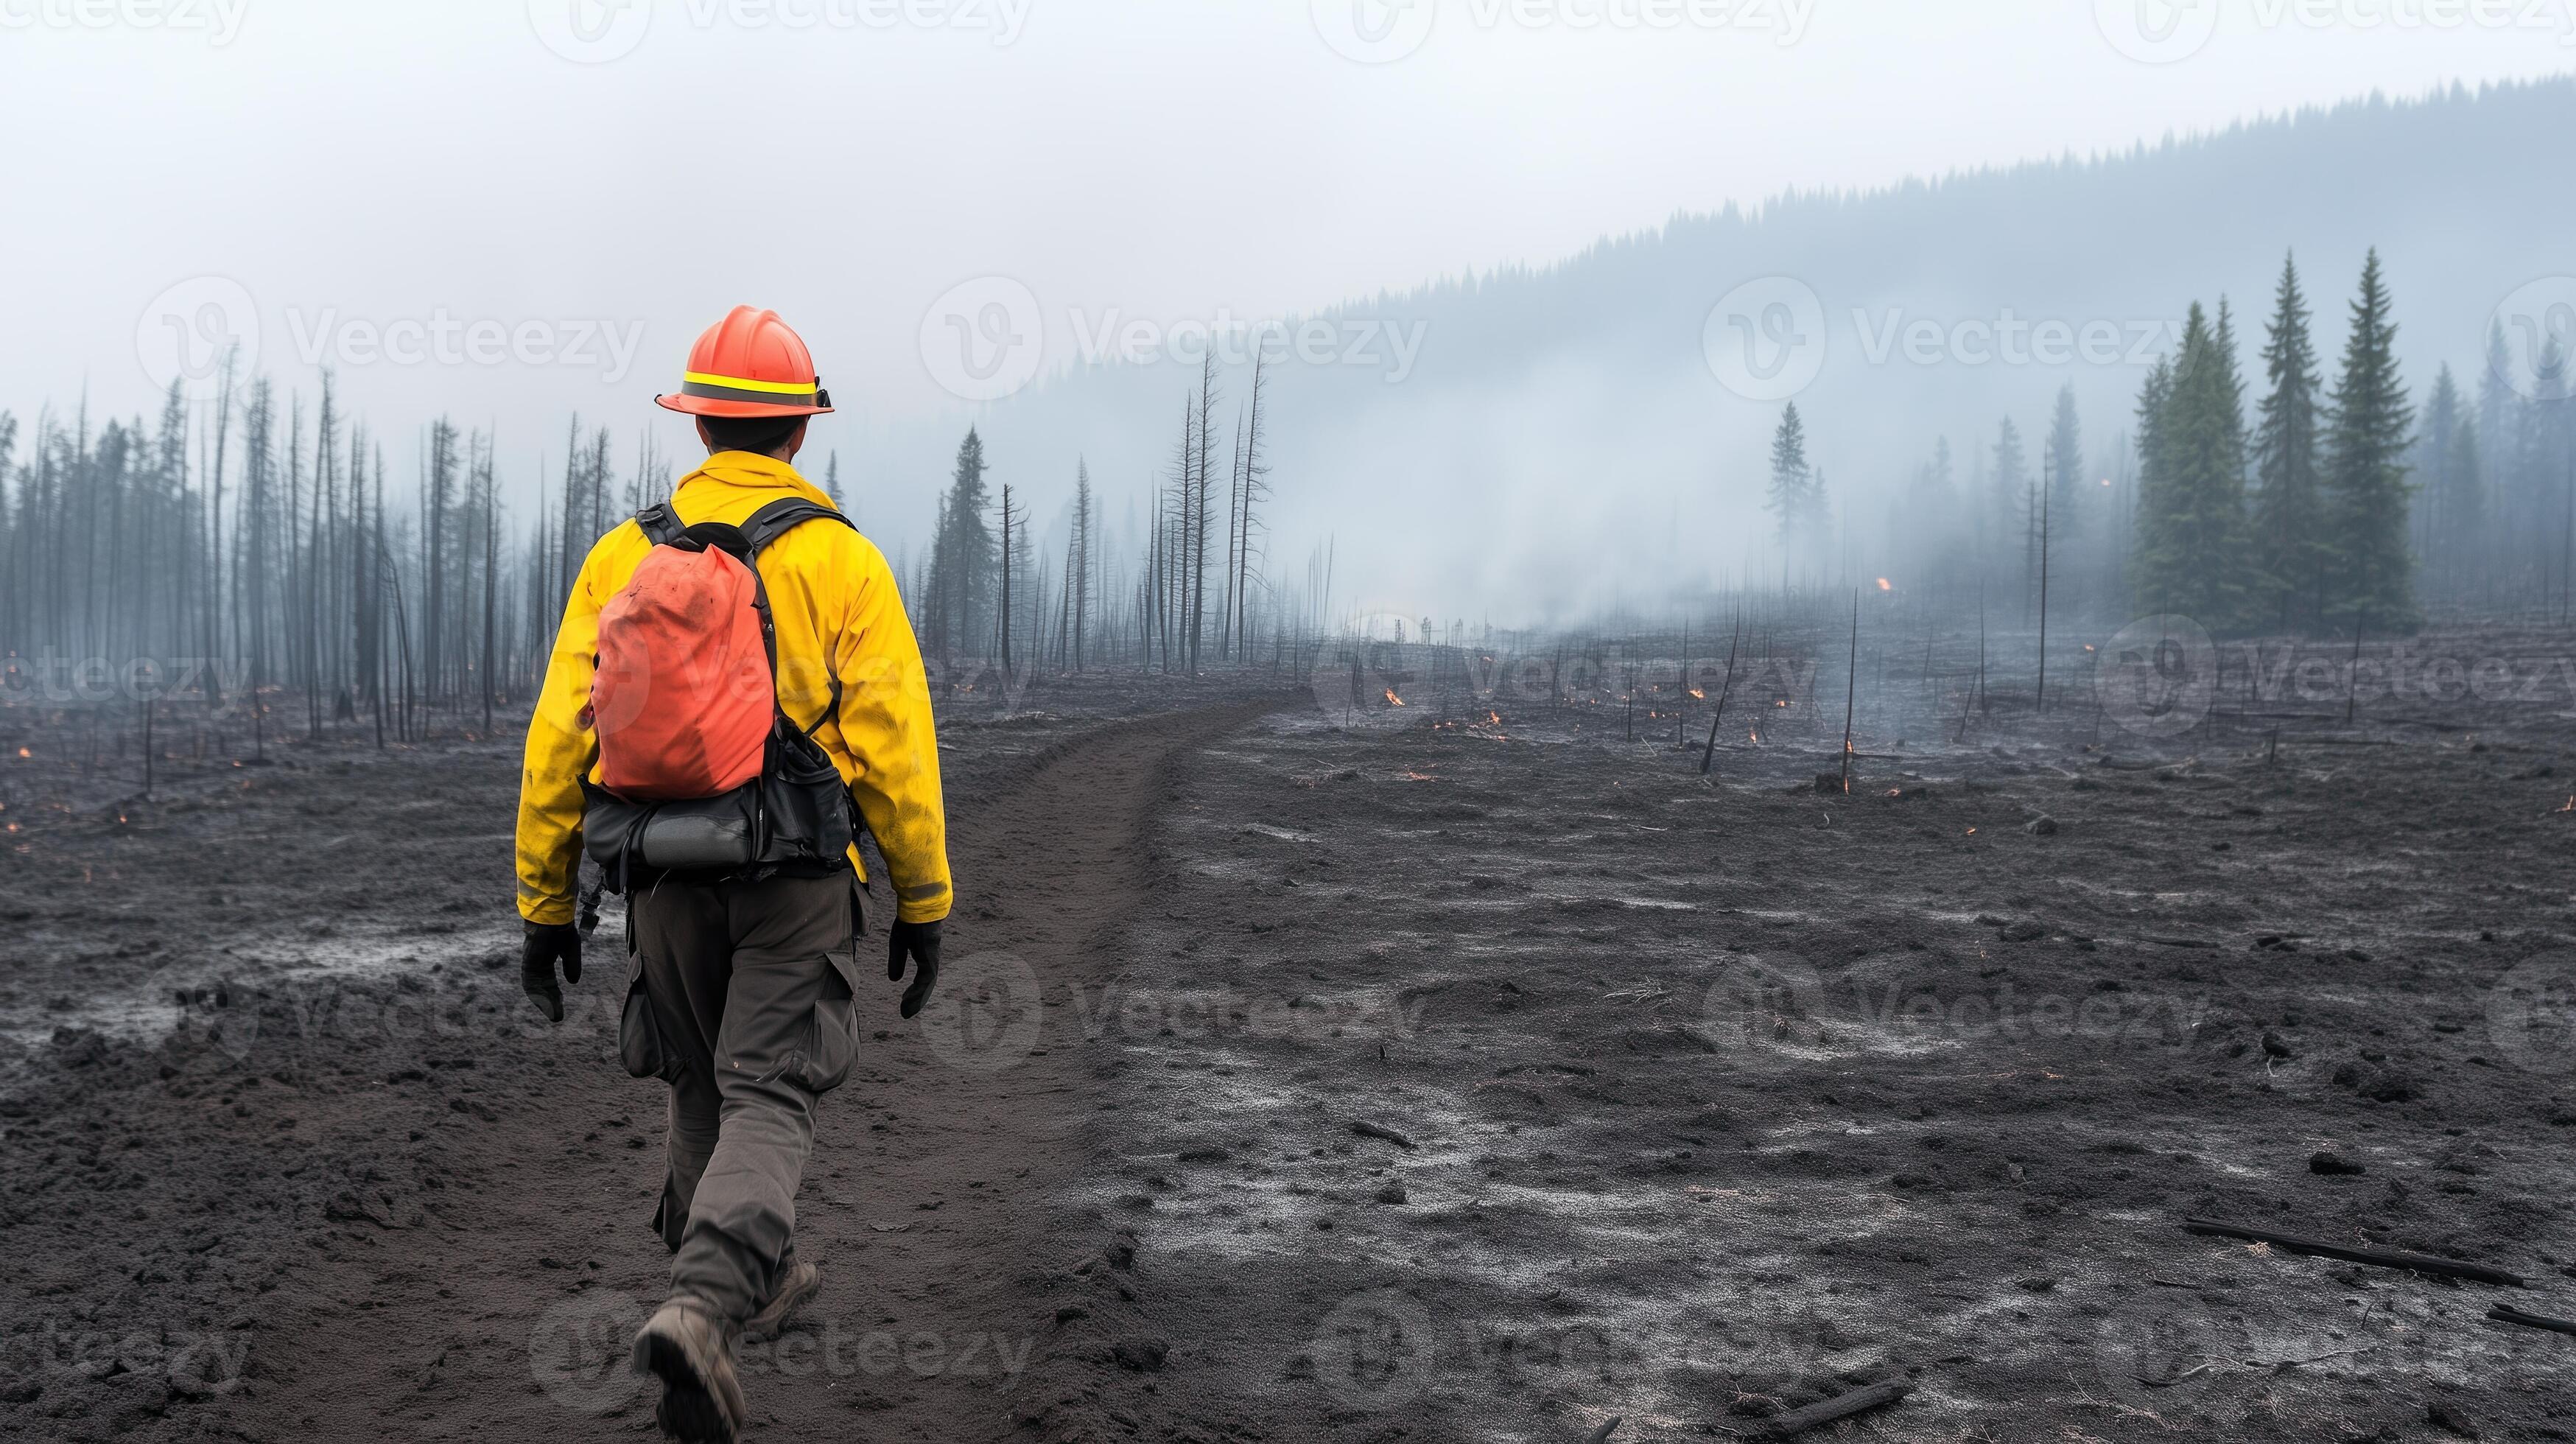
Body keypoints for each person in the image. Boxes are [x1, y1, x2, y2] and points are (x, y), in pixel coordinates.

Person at [513, 305, 952, 1443]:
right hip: (794, 879)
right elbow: (898, 743)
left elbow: (561, 734)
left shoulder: (625, 552)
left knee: (701, 1087)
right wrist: (926, 900)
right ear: (799, 433)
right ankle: (704, 1308)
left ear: (701, 421)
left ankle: (728, 1286)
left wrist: (542, 905)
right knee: (770, 1093)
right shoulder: (841, 559)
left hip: (657, 877)